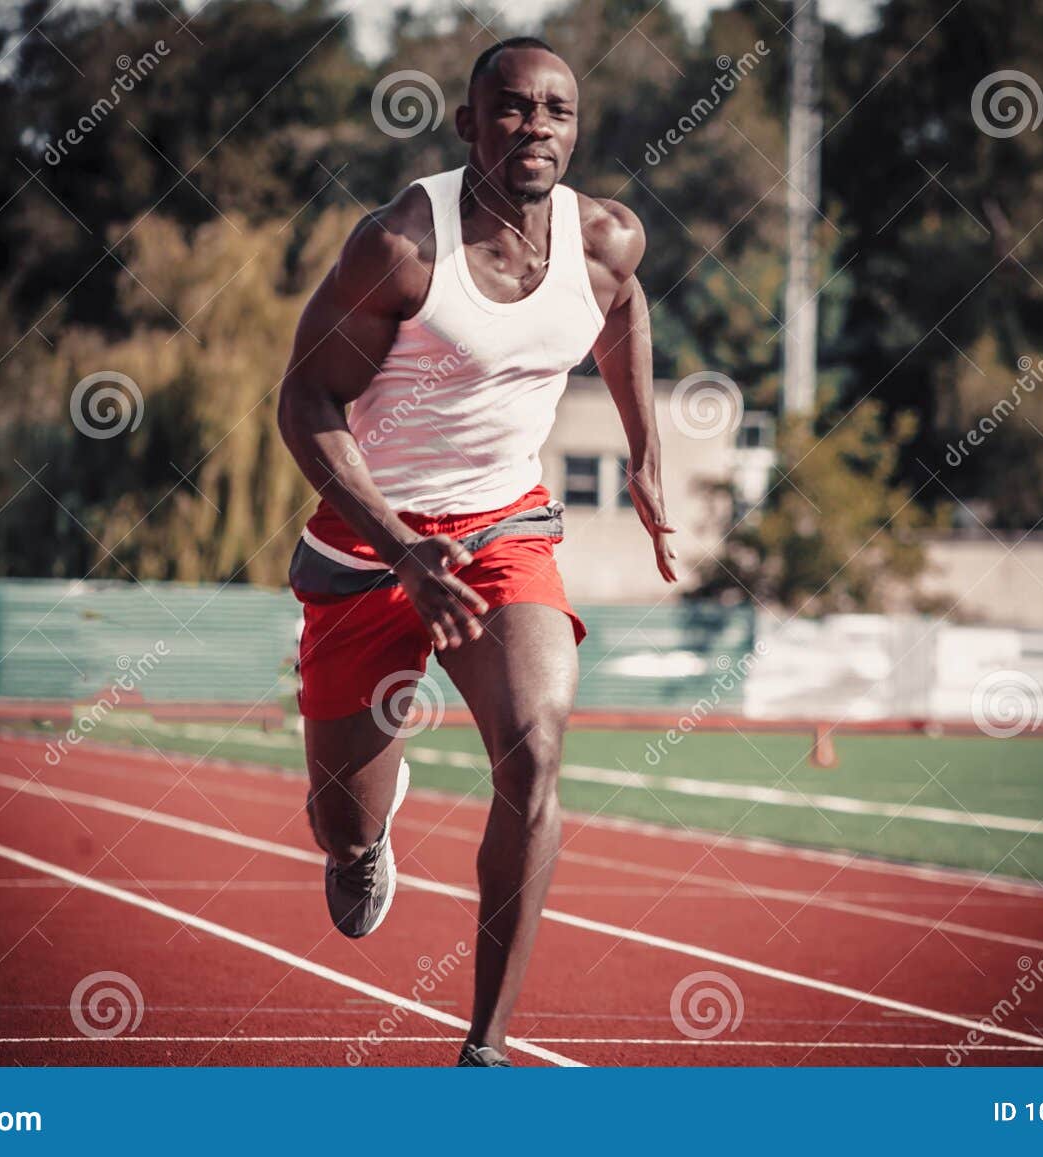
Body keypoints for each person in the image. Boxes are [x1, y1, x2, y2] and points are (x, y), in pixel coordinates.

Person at [276, 36, 676, 1067]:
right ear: (467, 124)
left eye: (556, 111)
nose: (534, 127)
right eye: (510, 108)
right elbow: (303, 399)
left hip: (504, 531)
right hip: (371, 549)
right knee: (339, 825)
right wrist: (402, 547)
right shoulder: (404, 244)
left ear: (574, 130)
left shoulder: (605, 240)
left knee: (535, 751)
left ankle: (485, 1047)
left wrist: (646, 453)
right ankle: (366, 835)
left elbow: (622, 315)